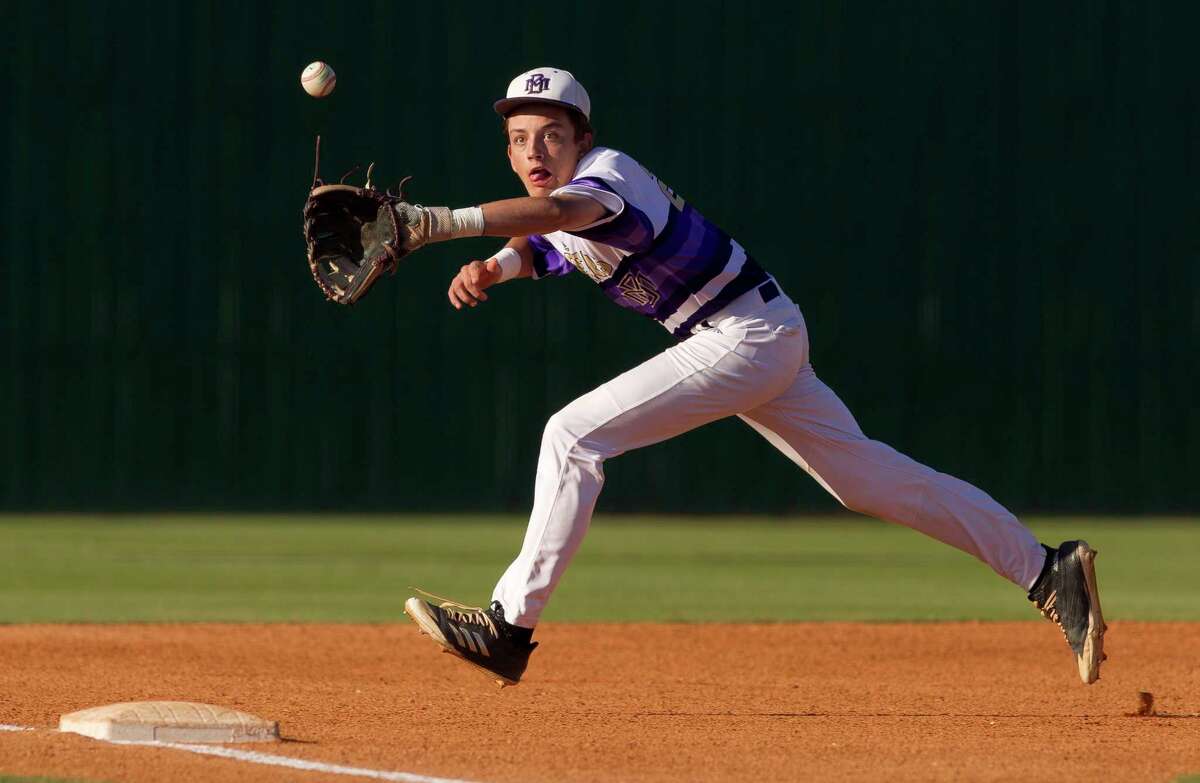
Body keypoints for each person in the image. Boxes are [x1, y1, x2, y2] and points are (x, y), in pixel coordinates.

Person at [401, 67, 1106, 687]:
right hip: (762, 334)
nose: (533, 151)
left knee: (572, 434)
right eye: (520, 138)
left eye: (550, 133)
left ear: (581, 138)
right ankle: (1049, 570)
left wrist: (437, 223)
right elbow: (550, 243)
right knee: (869, 479)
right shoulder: (574, 200)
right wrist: (499, 265)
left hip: (742, 334)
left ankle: (508, 627)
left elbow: (560, 215)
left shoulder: (609, 178)